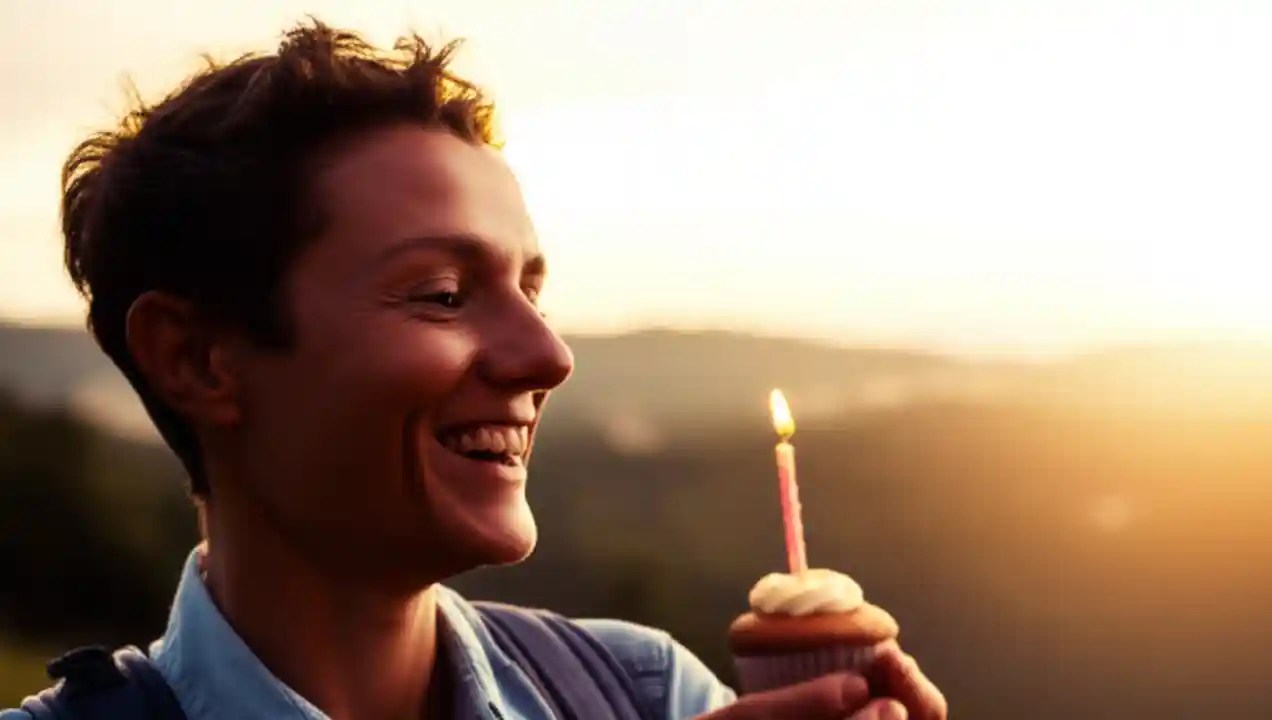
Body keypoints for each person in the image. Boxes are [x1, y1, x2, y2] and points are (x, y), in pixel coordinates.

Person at [3, 20, 945, 720]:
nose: (548, 355)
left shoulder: (644, 692)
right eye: (444, 295)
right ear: (199, 359)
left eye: (533, 290)